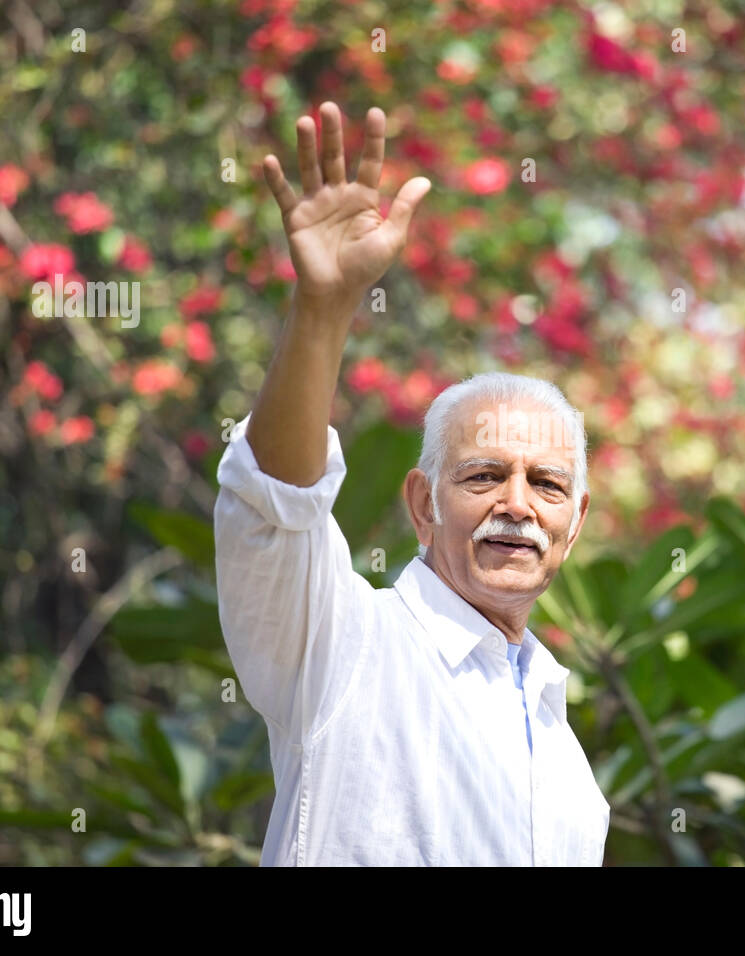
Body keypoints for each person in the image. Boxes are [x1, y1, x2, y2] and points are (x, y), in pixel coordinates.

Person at [213, 101, 610, 865]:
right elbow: (274, 502)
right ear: (424, 506)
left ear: (577, 521)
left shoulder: (571, 771)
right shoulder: (343, 643)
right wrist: (324, 308)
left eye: (547, 486)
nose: (517, 506)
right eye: (485, 475)